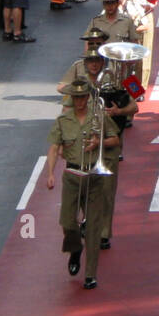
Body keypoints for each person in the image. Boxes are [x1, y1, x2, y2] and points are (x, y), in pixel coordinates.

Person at [44, 80, 120, 289]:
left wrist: (99, 143)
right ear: (72, 98)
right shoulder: (63, 120)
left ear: (88, 97)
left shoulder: (99, 117)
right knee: (68, 222)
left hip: (94, 176)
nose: (79, 101)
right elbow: (53, 148)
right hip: (72, 175)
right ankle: (75, 249)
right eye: (76, 97)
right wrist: (50, 173)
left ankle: (90, 275)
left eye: (83, 97)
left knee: (94, 227)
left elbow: (115, 140)